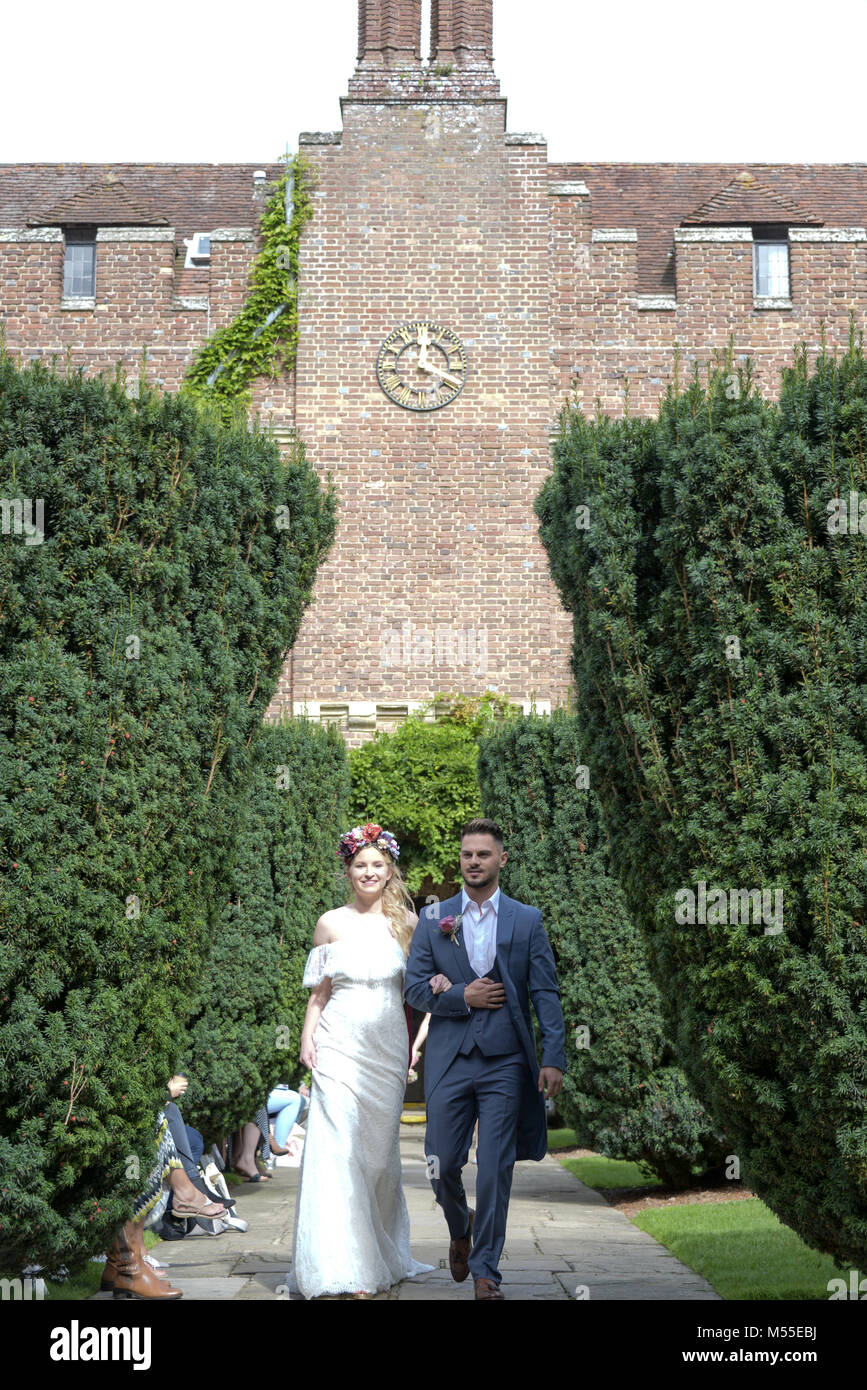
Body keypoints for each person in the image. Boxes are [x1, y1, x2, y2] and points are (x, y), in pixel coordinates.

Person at [404, 817, 567, 1301]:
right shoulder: (434, 921)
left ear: (501, 859)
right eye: (466, 854)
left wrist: (553, 1056)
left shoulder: (527, 920)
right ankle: (461, 1225)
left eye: (482, 854)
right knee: (440, 1162)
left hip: (505, 1062)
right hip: (451, 1059)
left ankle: (486, 1272)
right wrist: (460, 996)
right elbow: (414, 989)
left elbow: (545, 991)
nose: (473, 862)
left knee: (495, 1166)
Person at [290, 821, 434, 1299]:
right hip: (337, 1045)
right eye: (360, 866)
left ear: (389, 871)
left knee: (375, 1157)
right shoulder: (329, 923)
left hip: (388, 1046)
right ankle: (340, 1267)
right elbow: (319, 995)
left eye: (378, 865)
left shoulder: (408, 926)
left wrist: (421, 1038)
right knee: (338, 1152)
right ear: (348, 871)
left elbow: (423, 993)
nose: (369, 873)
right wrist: (307, 1041)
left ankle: (380, 1249)